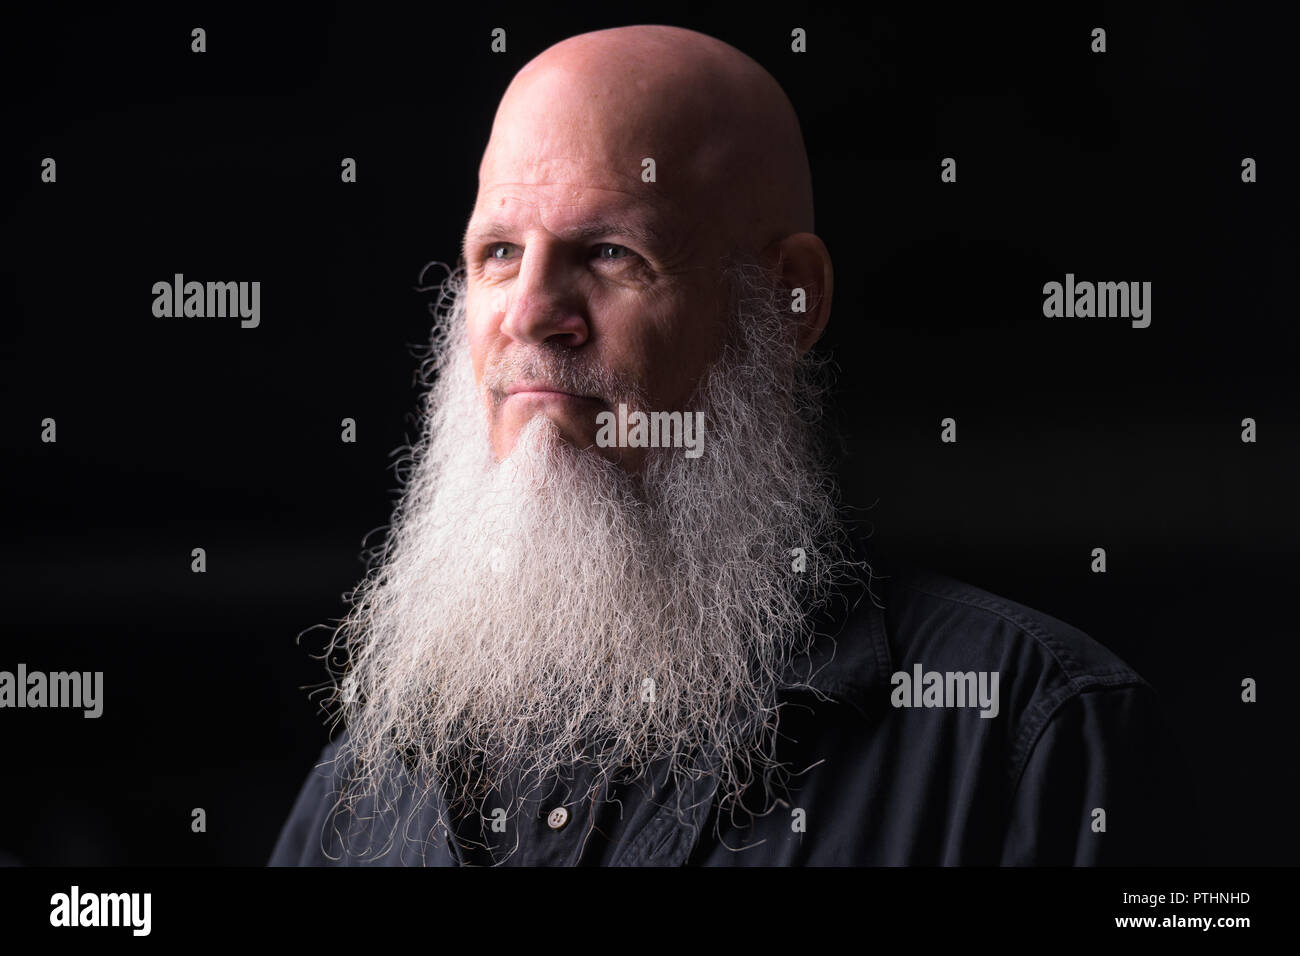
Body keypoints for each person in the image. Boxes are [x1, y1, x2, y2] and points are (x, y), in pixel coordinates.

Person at [269, 24, 1196, 866]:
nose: (530, 314)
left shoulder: (1025, 729)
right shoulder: (367, 782)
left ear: (791, 296)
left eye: (609, 254)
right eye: (499, 253)